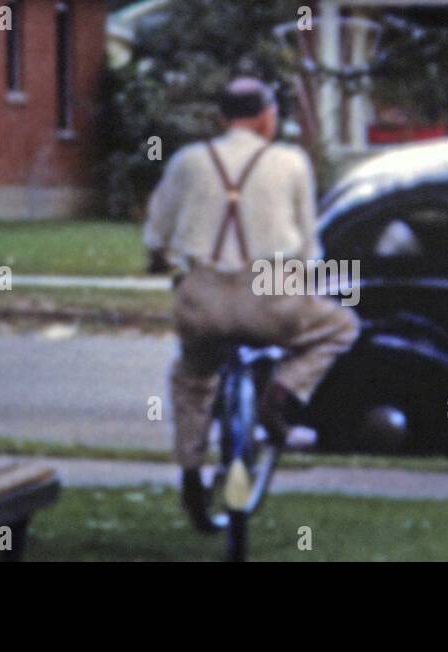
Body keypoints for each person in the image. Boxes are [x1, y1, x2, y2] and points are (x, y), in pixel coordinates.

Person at [144, 77, 360, 530]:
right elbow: (307, 245)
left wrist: (162, 261)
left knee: (193, 376)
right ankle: (281, 393)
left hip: (202, 290)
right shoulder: (291, 162)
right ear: (266, 117)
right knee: (341, 327)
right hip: (268, 286)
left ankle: (189, 468)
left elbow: (157, 233)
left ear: (221, 119)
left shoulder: (188, 161)